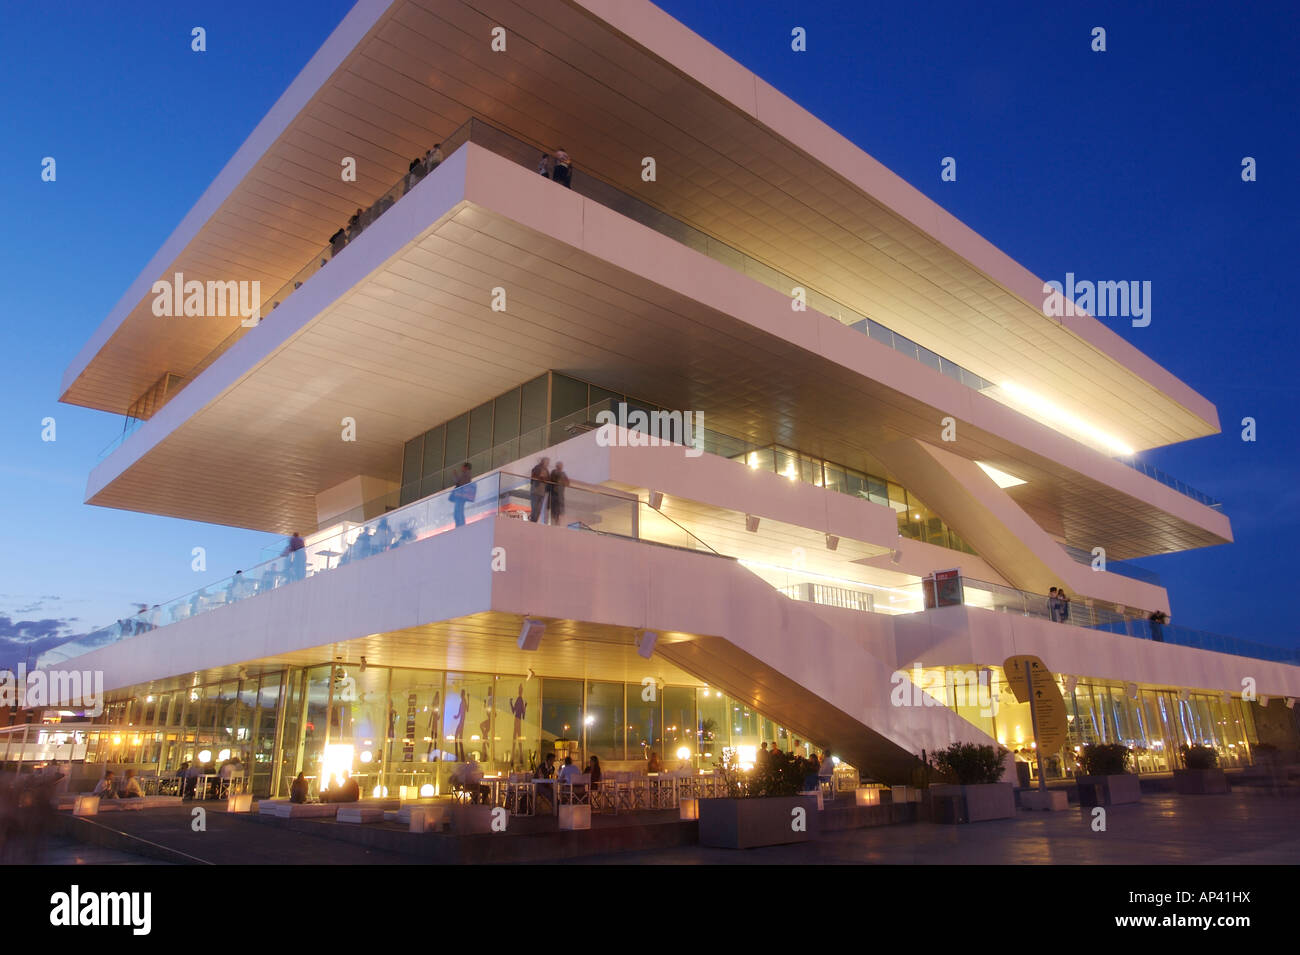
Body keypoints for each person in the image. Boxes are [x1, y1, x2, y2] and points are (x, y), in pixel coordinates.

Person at [450, 462, 474, 528]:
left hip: (461, 495)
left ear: (466, 467)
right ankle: (460, 525)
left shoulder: (466, 474)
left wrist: (455, 475)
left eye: (462, 467)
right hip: (462, 495)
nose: (461, 468)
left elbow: (458, 482)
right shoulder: (467, 474)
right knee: (458, 511)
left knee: (458, 511)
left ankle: (459, 526)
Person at [547, 461, 570, 526]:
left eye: (561, 466)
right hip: (554, 493)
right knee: (554, 508)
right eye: (559, 466)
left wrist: (563, 482)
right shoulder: (554, 472)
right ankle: (553, 522)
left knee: (559, 509)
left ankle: (557, 522)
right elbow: (552, 480)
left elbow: (567, 483)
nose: (560, 467)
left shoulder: (563, 474)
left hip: (560, 494)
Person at [528, 457, 550, 523]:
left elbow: (548, 479)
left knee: (539, 508)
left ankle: (535, 521)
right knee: (534, 507)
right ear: (543, 462)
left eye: (548, 462)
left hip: (542, 492)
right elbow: (533, 477)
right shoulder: (537, 468)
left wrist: (544, 479)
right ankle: (532, 521)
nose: (547, 464)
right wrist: (540, 478)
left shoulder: (546, 470)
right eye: (547, 462)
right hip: (536, 490)